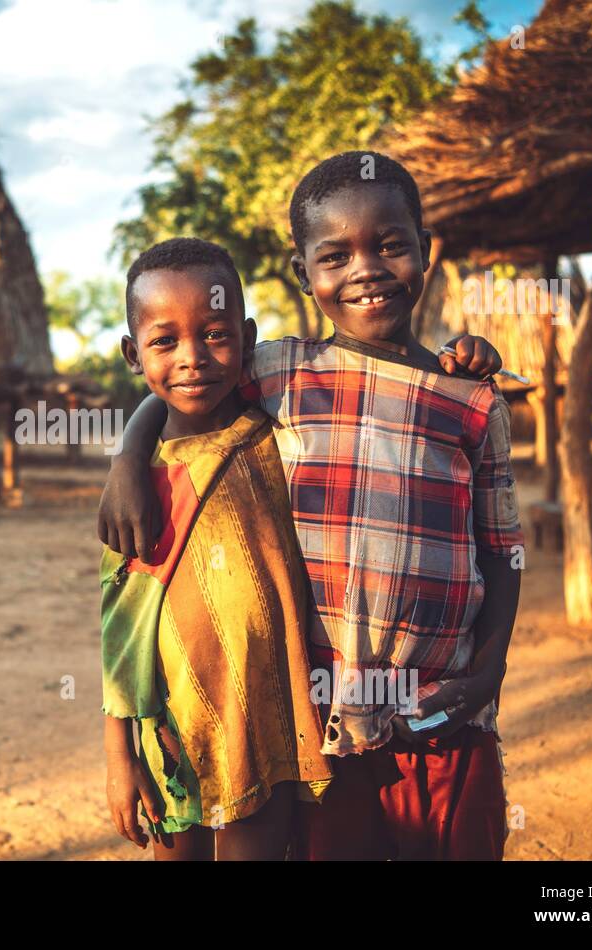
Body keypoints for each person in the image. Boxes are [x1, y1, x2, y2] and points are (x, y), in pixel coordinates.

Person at [100, 151, 522, 860]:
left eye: (391, 245)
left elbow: (502, 551)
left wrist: (491, 667)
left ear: (426, 251)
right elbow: (177, 383)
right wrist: (127, 457)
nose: (366, 270)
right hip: (323, 707)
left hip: (443, 703)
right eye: (336, 255)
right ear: (303, 273)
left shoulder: (473, 400)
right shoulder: (281, 373)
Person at [102, 238, 331, 861]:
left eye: (215, 334)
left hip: (265, 724)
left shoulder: (280, 439)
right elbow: (123, 633)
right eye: (164, 341)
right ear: (133, 353)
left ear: (247, 335)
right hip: (172, 734)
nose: (193, 358)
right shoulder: (141, 482)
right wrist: (119, 758)